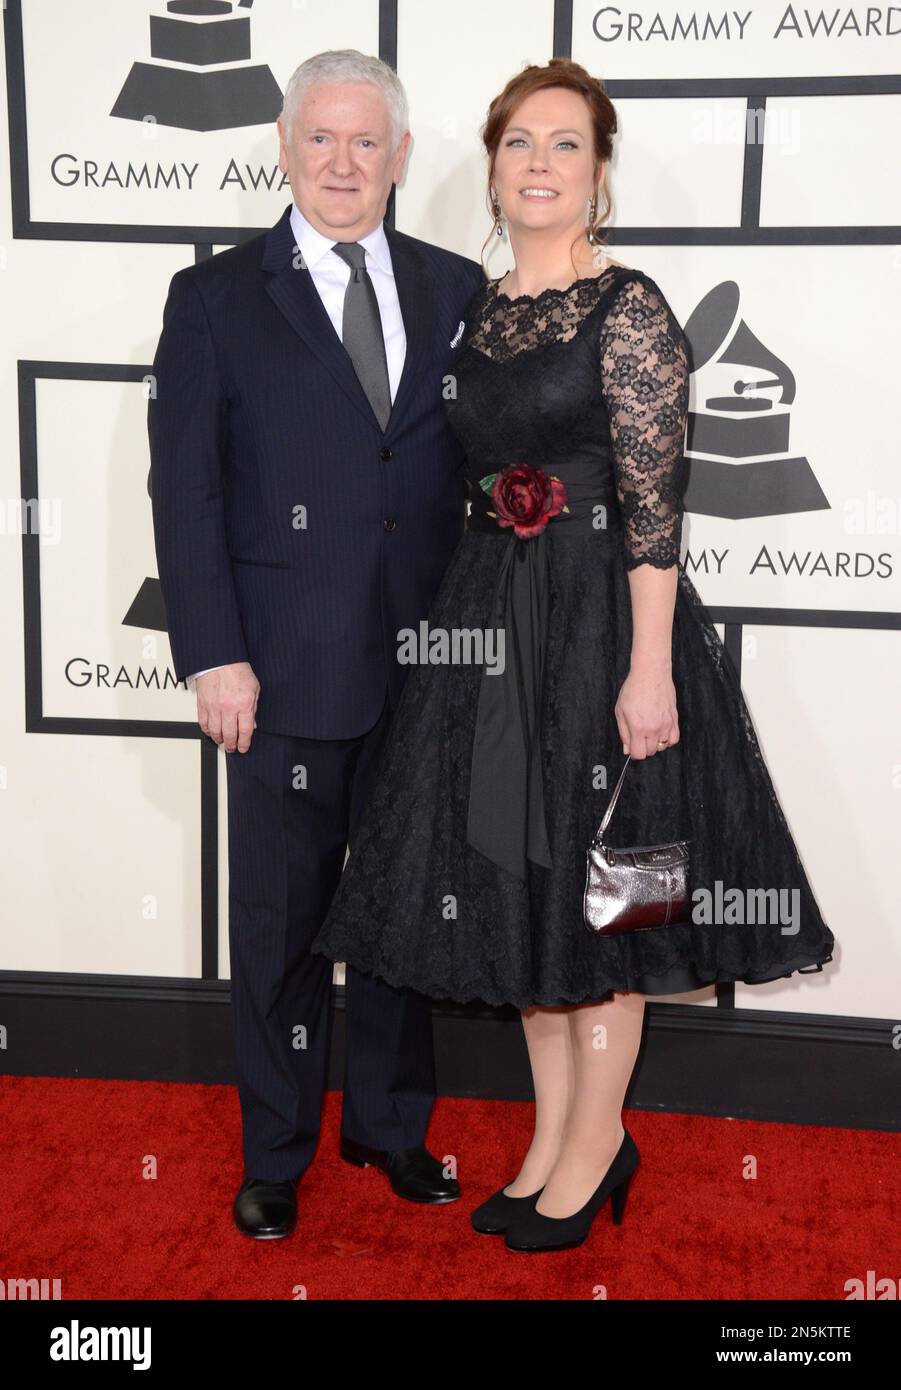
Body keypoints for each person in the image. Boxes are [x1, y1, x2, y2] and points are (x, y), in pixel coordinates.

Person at [311, 58, 835, 1253]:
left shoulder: (631, 306)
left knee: (613, 903)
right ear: (490, 170)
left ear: (597, 173)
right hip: (492, 633)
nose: (538, 165)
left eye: (563, 145)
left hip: (606, 626)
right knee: (525, 894)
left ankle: (599, 1144)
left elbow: (658, 506)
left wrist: (648, 671)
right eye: (517, 145)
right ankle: (553, 1136)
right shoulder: (478, 310)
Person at [148, 49, 483, 1240]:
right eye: (320, 140)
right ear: (283, 151)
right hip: (280, 669)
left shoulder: (456, 289)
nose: (344, 163)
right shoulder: (217, 297)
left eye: (366, 142)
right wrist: (211, 652)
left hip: (429, 671)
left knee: (403, 909)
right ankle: (277, 1148)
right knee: (282, 922)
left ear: (399, 158)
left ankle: (391, 1127)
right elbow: (184, 491)